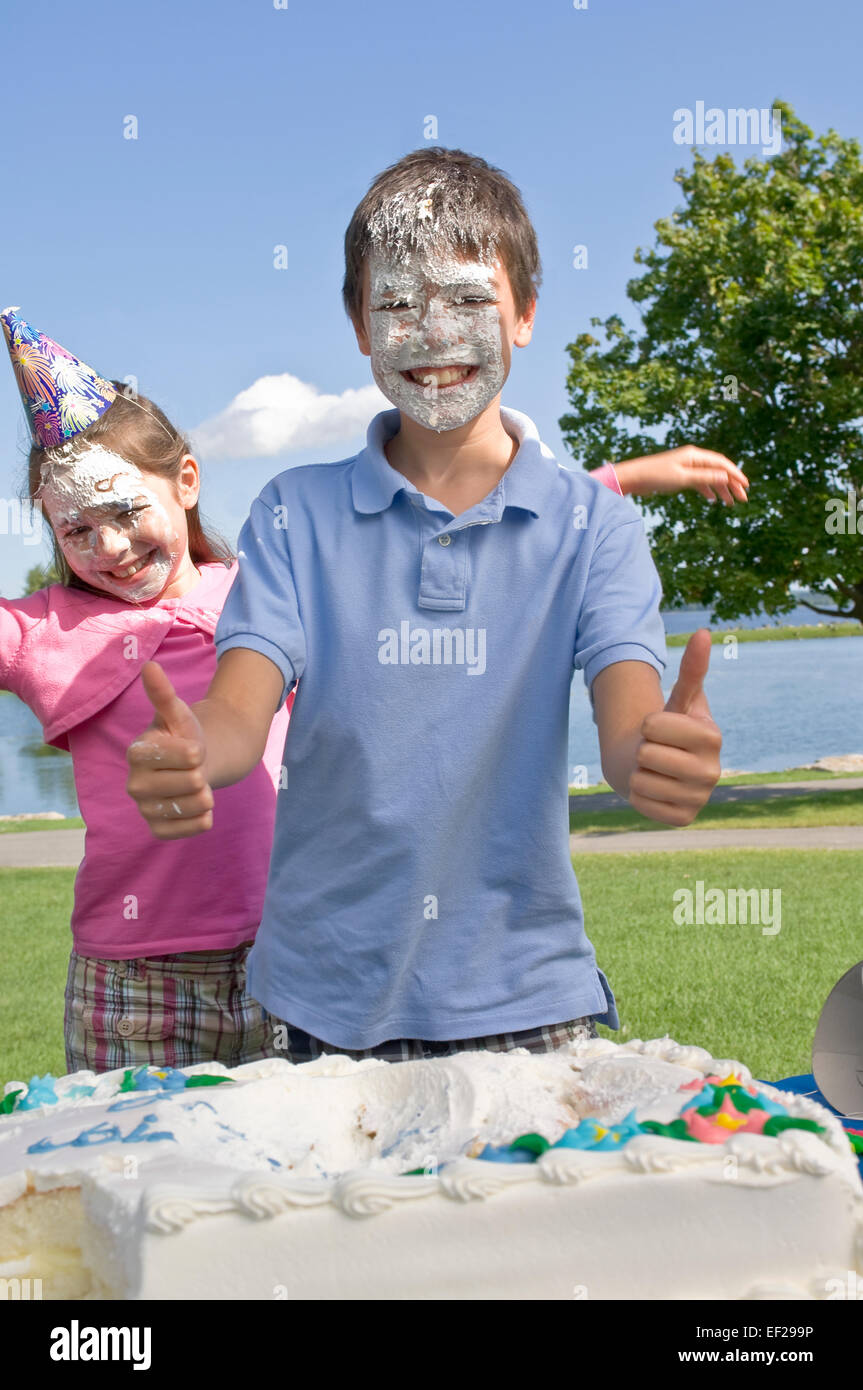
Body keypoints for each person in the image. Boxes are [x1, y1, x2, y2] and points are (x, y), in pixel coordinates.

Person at [126, 148, 724, 1065]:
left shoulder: (595, 527)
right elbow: (239, 713)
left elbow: (626, 728)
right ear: (359, 327)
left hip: (528, 992)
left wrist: (657, 758)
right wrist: (194, 753)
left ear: (524, 313)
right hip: (323, 1001)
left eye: (467, 301)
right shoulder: (295, 510)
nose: (433, 333)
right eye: (398, 305)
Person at [0, 307, 290, 1072]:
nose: (112, 548)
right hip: (129, 986)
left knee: (296, 1180)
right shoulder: (43, 631)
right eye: (77, 530)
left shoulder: (267, 596)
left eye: (126, 510)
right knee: (135, 1181)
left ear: (185, 481)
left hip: (295, 956)